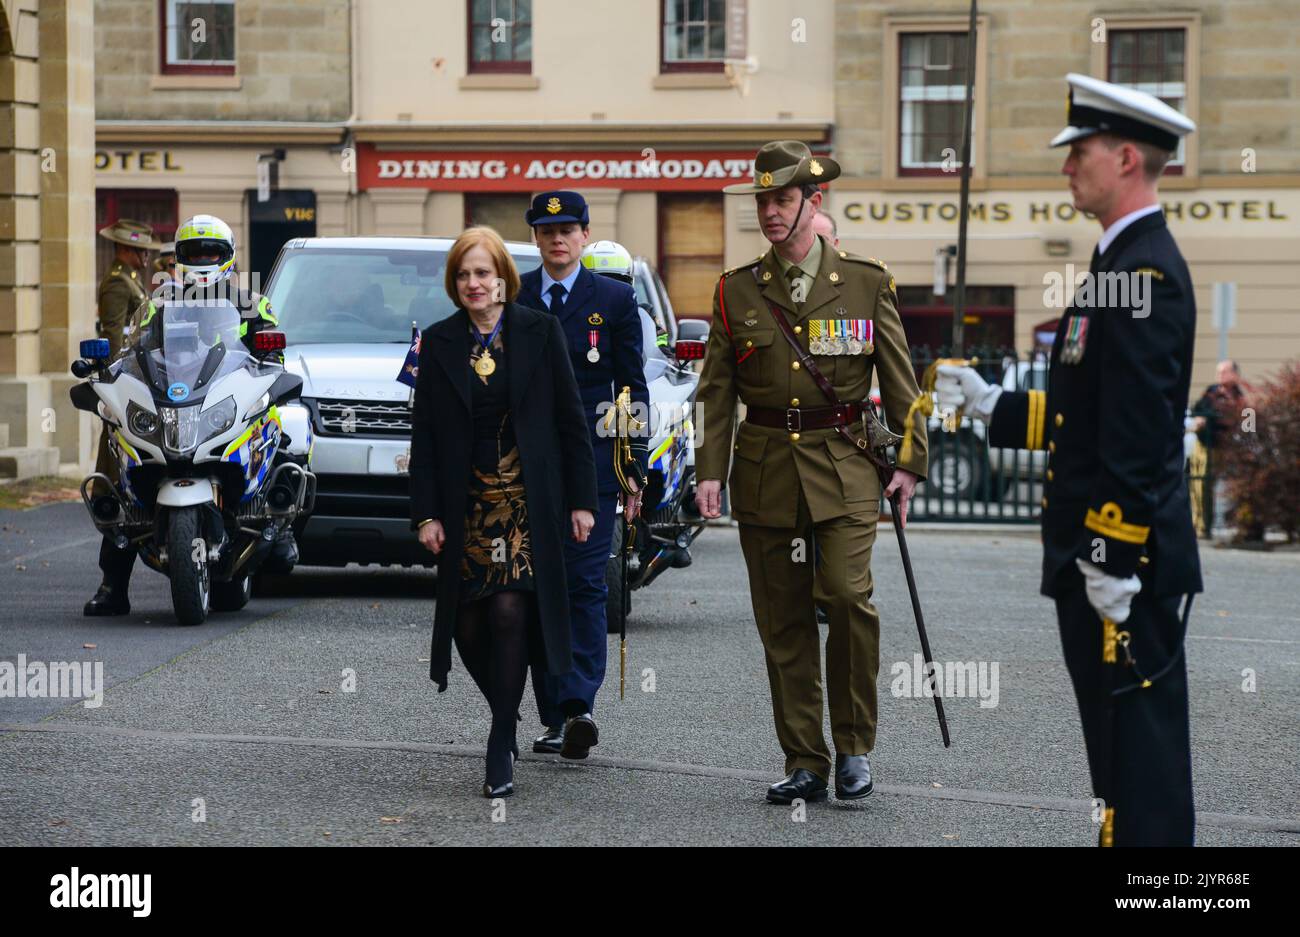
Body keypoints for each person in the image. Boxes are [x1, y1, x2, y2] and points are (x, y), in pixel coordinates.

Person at [937, 73, 1201, 846]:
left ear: (1125, 158)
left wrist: (1111, 552)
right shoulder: (1119, 263)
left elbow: (1142, 434)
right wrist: (995, 404)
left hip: (1126, 566)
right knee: (1117, 760)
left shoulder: (1143, 273)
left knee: (1140, 762)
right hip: (1105, 559)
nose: (1065, 168)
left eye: (1077, 152)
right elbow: (1093, 416)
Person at [694, 140, 928, 805]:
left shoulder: (865, 281)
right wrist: (710, 468)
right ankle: (805, 757)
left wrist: (910, 461)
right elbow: (715, 391)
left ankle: (853, 745)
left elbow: (901, 382)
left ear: (812, 202)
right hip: (765, 470)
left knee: (849, 597)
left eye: (783, 200)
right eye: (763, 201)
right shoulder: (736, 290)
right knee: (783, 618)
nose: (770, 212)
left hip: (846, 466)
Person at [408, 226, 598, 797]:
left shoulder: (539, 332)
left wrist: (583, 501)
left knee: (512, 610)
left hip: (526, 502)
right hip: (464, 504)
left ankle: (498, 741)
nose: (474, 283)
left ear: (502, 280)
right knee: (468, 623)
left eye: (483, 273)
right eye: (464, 274)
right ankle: (508, 713)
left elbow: (571, 421)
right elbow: (424, 438)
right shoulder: (437, 343)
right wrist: (425, 514)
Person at [84, 214, 292, 616]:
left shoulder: (250, 302)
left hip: (225, 400)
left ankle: (280, 526)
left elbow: (274, 356)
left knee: (279, 422)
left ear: (227, 256)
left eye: (211, 252)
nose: (202, 258)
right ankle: (113, 584)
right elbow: (133, 351)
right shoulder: (159, 303)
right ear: (180, 257)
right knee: (118, 457)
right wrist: (117, 376)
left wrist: (269, 367)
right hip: (173, 400)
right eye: (194, 252)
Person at [518, 193, 649, 759]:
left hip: (593, 467)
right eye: (546, 231)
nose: (557, 239)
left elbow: (629, 387)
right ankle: (551, 712)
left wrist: (633, 464)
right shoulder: (515, 293)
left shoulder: (614, 300)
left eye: (567, 229)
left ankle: (578, 706)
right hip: (524, 466)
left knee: (586, 584)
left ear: (585, 234)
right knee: (533, 587)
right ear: (535, 238)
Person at [84, 221, 160, 615]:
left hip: (143, 392)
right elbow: (115, 339)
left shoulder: (131, 279)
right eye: (142, 250)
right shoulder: (118, 284)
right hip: (128, 397)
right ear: (126, 251)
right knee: (119, 488)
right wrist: (120, 382)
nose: (148, 257)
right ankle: (112, 585)